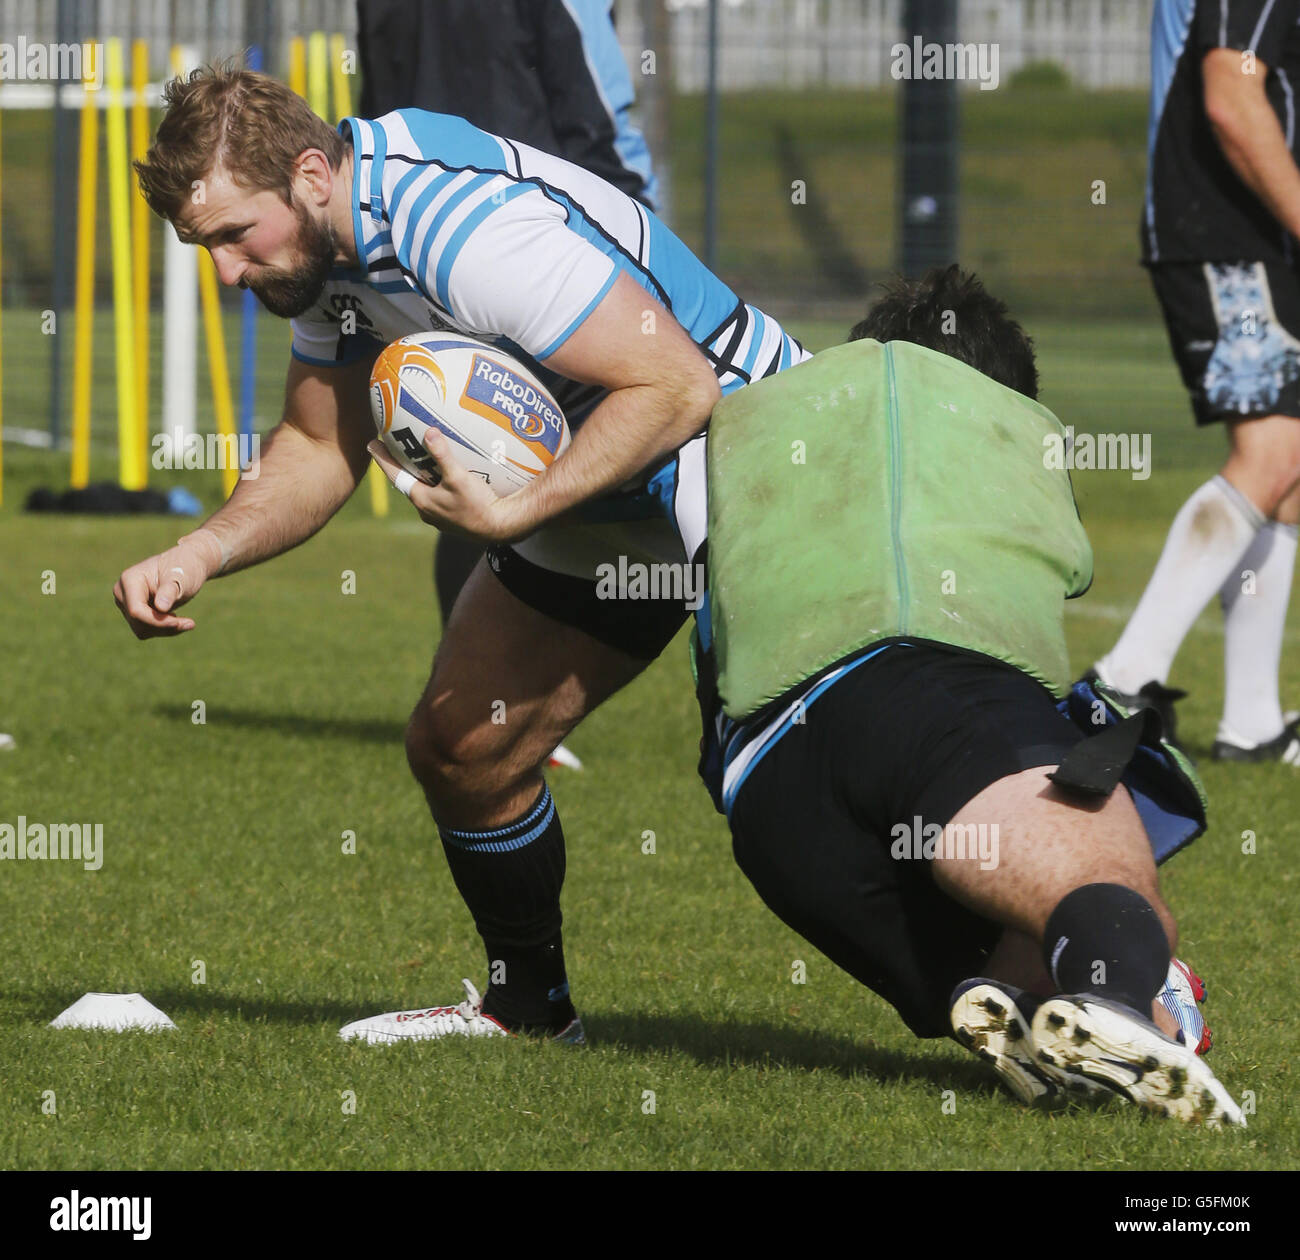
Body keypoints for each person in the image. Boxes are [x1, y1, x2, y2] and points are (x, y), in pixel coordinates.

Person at [115, 63, 808, 1044]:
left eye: (234, 235)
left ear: (312, 173)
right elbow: (318, 446)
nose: (228, 271)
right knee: (464, 747)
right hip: (603, 489)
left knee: (791, 788)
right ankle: (529, 1015)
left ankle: (1044, 973)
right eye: (203, 247)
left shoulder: (457, 225)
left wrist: (518, 505)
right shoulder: (328, 263)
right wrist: (201, 551)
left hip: (741, 455)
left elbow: (675, 385)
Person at [691, 265, 1241, 1125]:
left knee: (1019, 941)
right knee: (1102, 876)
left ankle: (1046, 992)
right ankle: (1128, 1003)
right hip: (919, 696)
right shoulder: (999, 439)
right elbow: (1063, 570)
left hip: (771, 810)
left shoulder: (775, 441)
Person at [357, 0, 659, 772]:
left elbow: (374, 104)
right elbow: (594, 97)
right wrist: (634, 215)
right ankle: (503, 700)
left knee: (468, 451)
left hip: (416, 231)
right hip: (544, 235)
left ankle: (483, 700)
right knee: (653, 440)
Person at [1087, 0, 1300, 764]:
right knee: (1275, 451)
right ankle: (1121, 680)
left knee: (1291, 466)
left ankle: (1252, 723)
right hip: (1225, 235)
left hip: (1251, 236)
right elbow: (1230, 94)